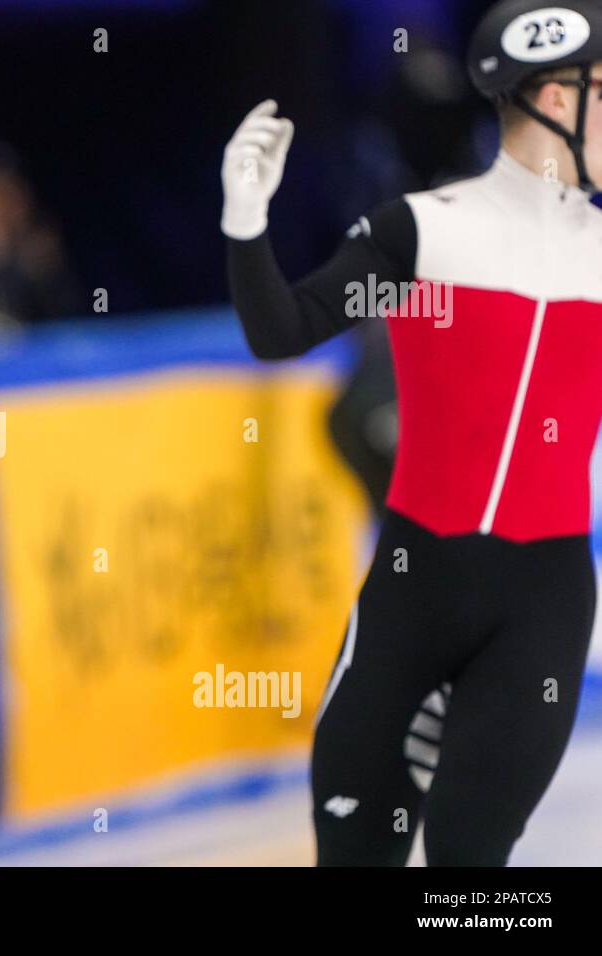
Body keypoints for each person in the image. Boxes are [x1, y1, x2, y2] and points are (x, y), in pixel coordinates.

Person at [221, 0, 602, 865]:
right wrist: (246, 220)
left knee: (469, 877)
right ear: (549, 96)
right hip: (414, 590)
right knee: (353, 850)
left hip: (540, 607)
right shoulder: (423, 229)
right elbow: (281, 332)